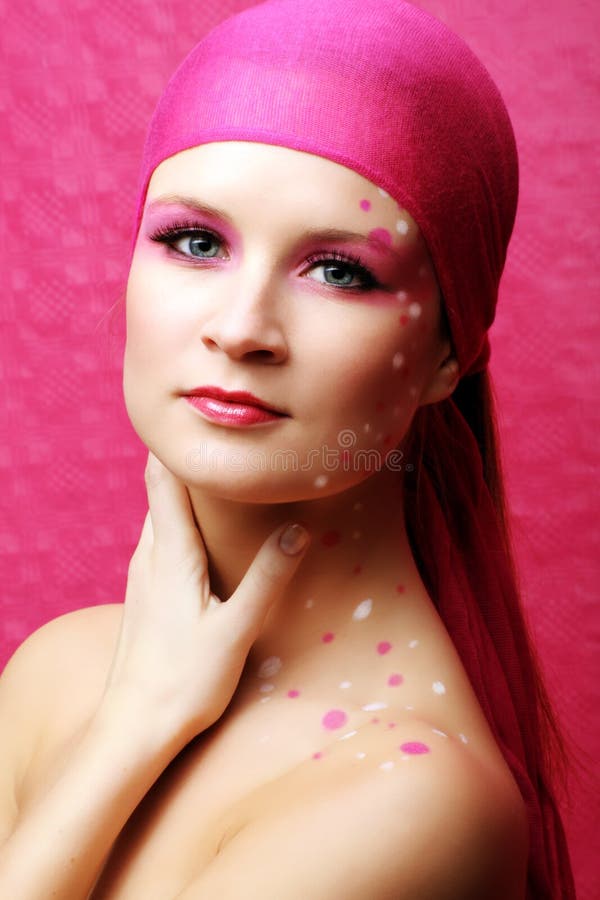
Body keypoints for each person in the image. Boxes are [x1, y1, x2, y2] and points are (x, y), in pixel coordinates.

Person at [0, 0, 576, 897]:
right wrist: (128, 723)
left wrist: (131, 727)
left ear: (449, 354)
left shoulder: (415, 802)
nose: (241, 329)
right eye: (195, 242)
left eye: (340, 271)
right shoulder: (59, 670)